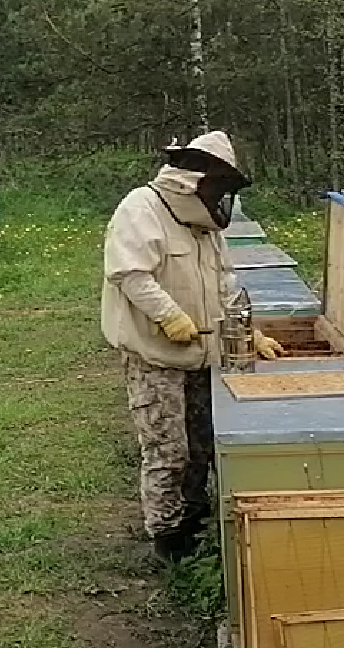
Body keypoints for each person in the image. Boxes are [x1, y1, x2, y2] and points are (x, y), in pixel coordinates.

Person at [100, 131, 284, 563]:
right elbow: (129, 274)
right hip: (154, 356)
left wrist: (248, 330)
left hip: (203, 354)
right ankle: (166, 536)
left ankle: (195, 517)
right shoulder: (140, 210)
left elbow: (225, 285)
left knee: (201, 443)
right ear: (196, 180)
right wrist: (168, 315)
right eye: (219, 188)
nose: (222, 199)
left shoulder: (206, 227)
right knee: (168, 448)